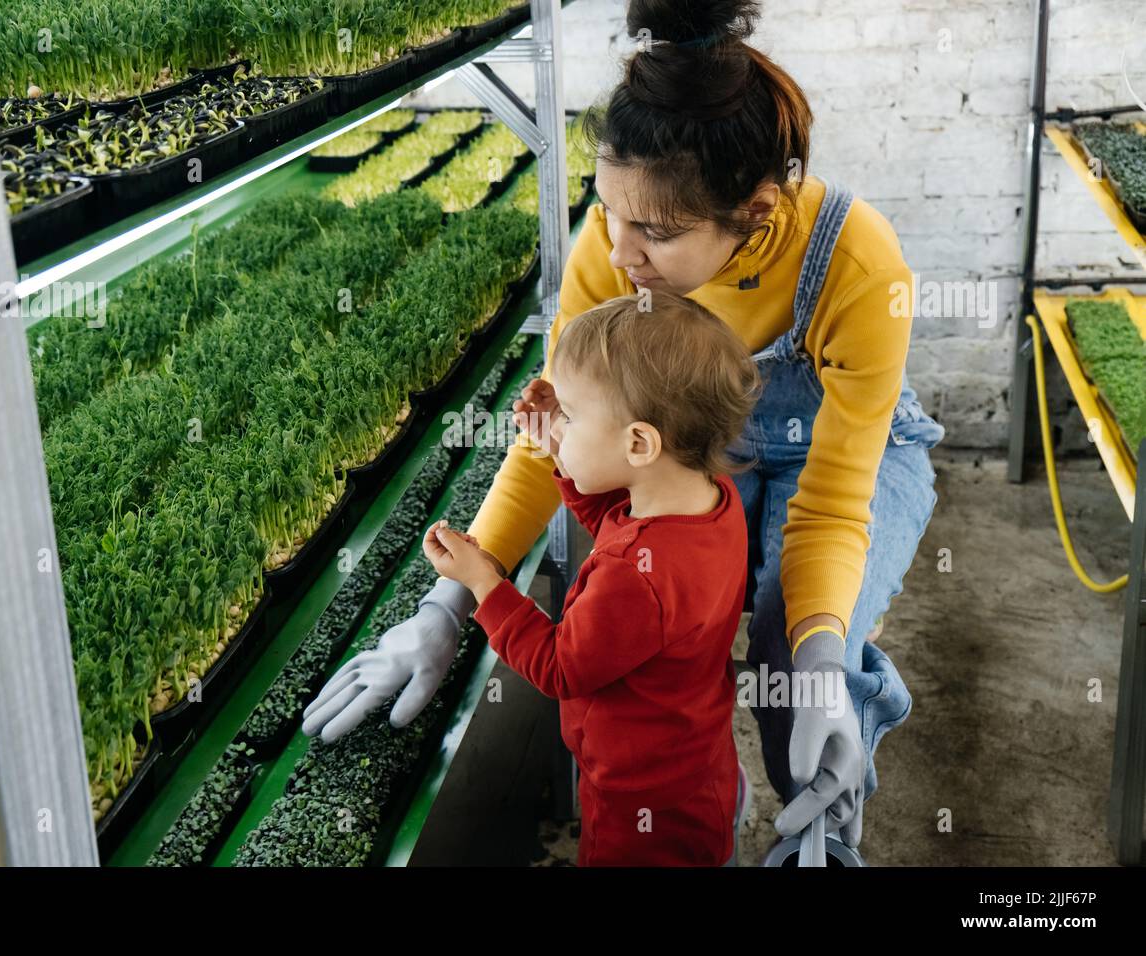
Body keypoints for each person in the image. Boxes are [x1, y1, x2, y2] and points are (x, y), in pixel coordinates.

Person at [303, 0, 945, 857]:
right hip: (695, 451)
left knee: (788, 658)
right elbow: (558, 440)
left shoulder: (858, 263)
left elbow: (831, 504)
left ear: (753, 212)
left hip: (839, 453)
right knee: (673, 625)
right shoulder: (614, 250)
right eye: (607, 208)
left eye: (659, 231)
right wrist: (447, 606)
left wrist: (821, 666)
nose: (621, 250)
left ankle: (818, 819)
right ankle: (707, 795)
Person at [421, 291, 759, 865]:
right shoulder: (710, 499)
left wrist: (485, 584)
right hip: (694, 763)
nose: (562, 424)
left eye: (572, 417)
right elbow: (617, 524)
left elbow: (560, 665)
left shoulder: (635, 579)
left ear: (639, 443)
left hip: (637, 808)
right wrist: (562, 451)